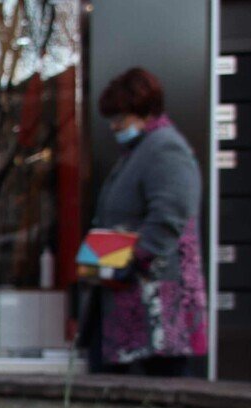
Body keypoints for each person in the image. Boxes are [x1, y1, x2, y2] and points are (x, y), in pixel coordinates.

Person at [82, 68, 207, 376]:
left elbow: (169, 216)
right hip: (127, 288)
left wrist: (131, 258)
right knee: (111, 369)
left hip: (154, 297)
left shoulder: (164, 148)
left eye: (120, 119)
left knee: (164, 378)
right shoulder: (140, 150)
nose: (114, 127)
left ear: (144, 111)